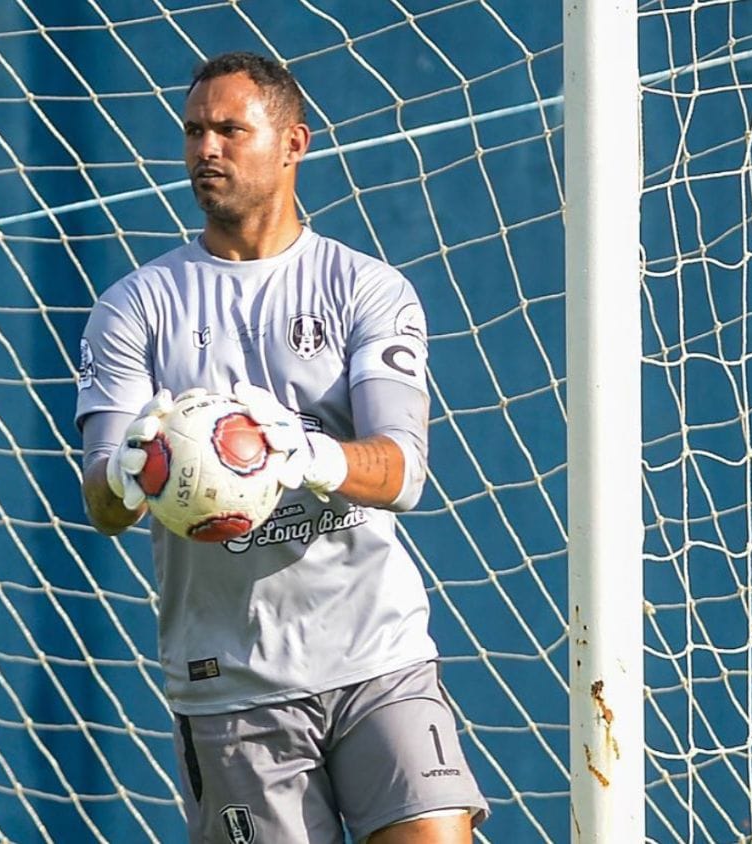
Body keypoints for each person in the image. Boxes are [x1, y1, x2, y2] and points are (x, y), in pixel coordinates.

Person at [75, 51, 488, 844]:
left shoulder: (365, 289)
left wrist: (306, 455)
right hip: (233, 684)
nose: (206, 149)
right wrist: (131, 474)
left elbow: (403, 469)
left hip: (377, 657)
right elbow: (101, 503)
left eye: (230, 130)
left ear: (294, 142)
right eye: (194, 131)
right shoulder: (133, 307)